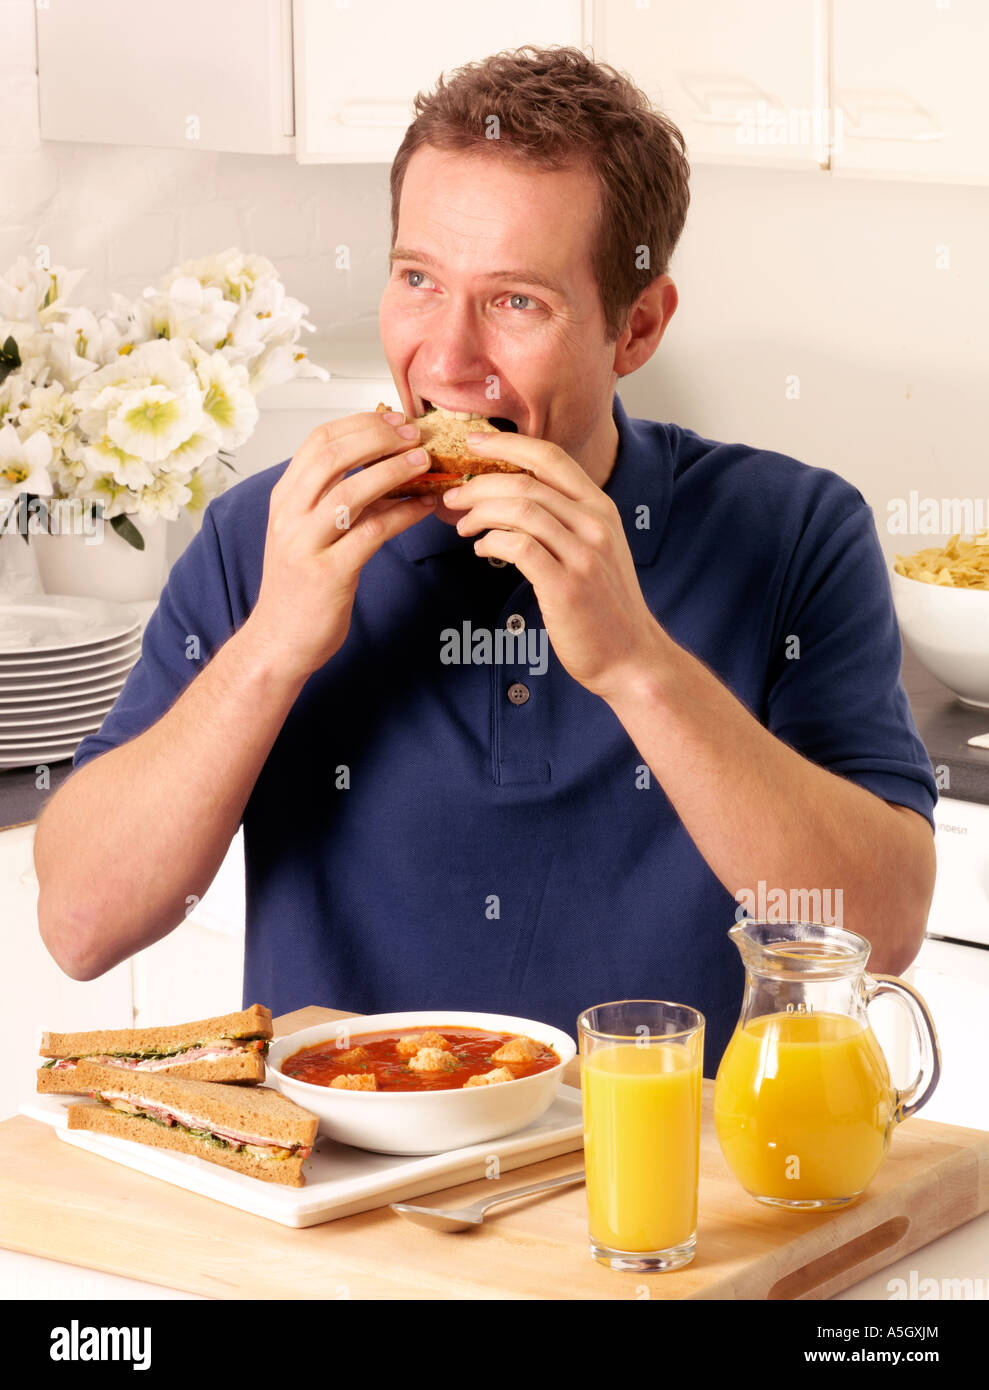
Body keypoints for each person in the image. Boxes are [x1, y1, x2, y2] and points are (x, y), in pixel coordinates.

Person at [35, 47, 936, 1075]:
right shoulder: (267, 534)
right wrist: (274, 647)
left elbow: (877, 929)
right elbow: (79, 925)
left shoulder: (793, 532)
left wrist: (635, 663)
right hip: (346, 1201)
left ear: (635, 325)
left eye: (515, 302)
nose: (448, 359)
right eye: (417, 279)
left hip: (678, 1203)